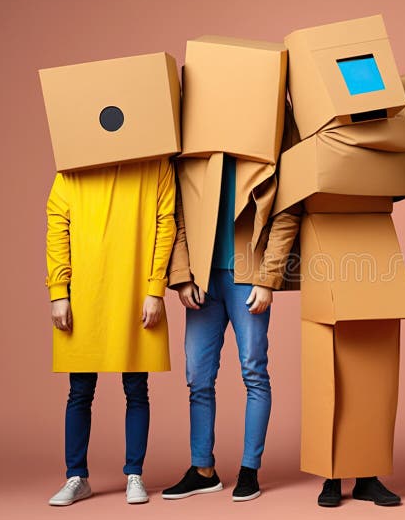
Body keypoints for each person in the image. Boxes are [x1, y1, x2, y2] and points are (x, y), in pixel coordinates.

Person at [161, 155, 300, 502]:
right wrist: (180, 277)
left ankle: (249, 469)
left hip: (247, 277)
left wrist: (269, 278)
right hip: (202, 278)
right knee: (198, 376)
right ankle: (202, 469)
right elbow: (178, 211)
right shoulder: (194, 149)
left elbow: (287, 213)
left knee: (254, 371)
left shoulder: (264, 146)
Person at [46, 160, 177, 506]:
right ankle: (76, 476)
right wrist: (59, 291)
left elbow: (167, 223)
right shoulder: (73, 165)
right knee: (80, 390)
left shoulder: (155, 164)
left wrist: (155, 289)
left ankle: (135, 473)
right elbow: (57, 225)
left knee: (136, 388)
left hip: (133, 289)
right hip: (86, 292)